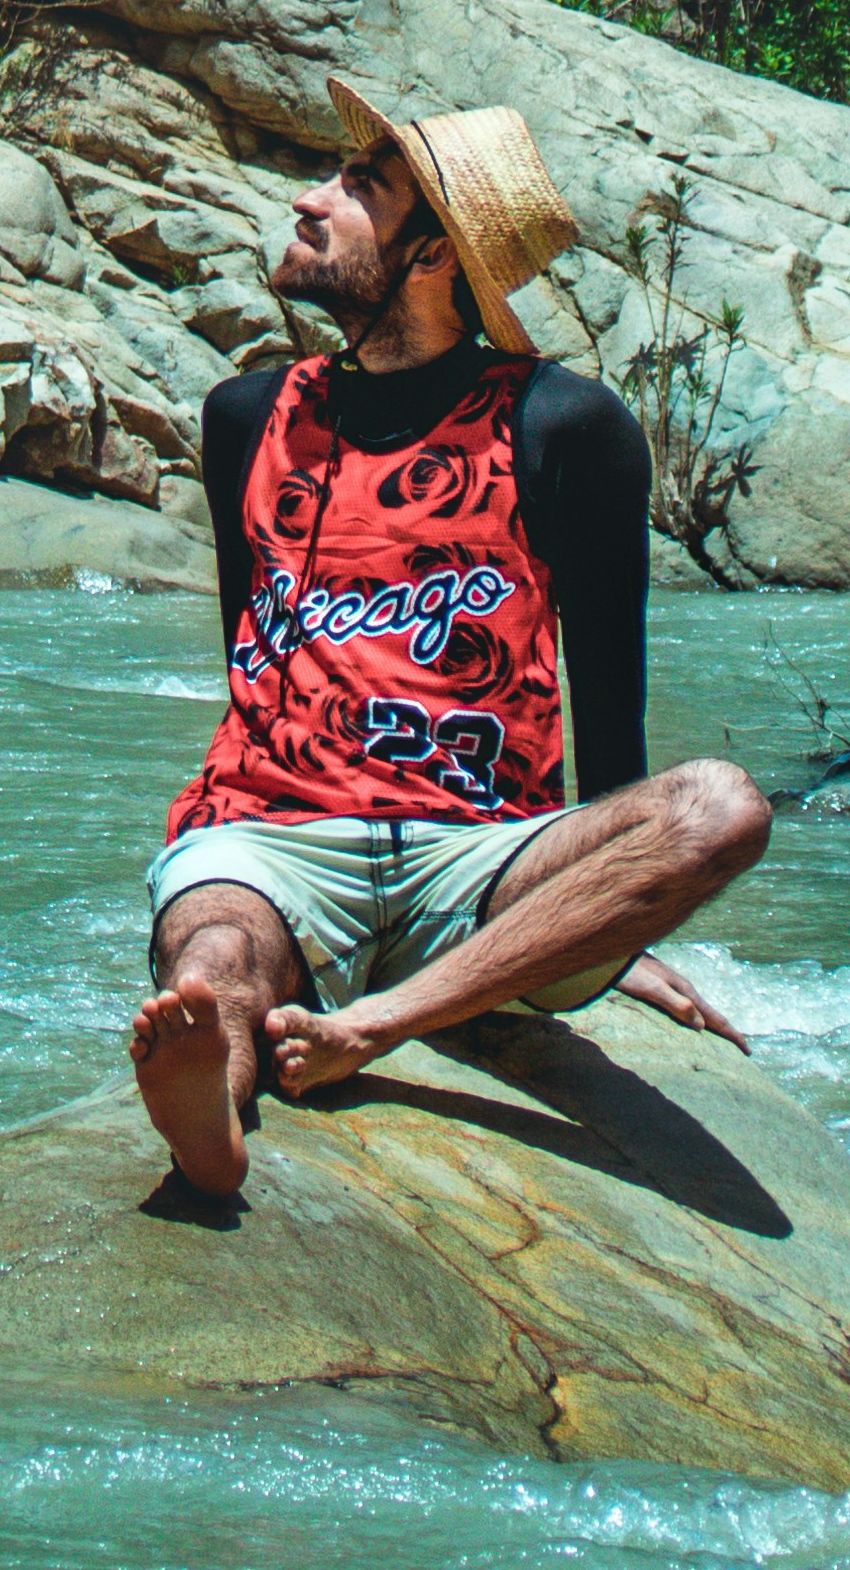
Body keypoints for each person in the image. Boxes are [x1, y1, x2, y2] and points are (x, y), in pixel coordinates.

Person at [125, 81, 772, 1198]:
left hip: (485, 857)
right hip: (273, 841)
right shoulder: (246, 417)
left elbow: (608, 708)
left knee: (718, 807)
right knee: (214, 958)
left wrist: (608, 931)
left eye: (356, 187)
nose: (308, 199)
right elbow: (250, 660)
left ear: (431, 255)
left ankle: (374, 1023)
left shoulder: (564, 426)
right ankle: (212, 1111)